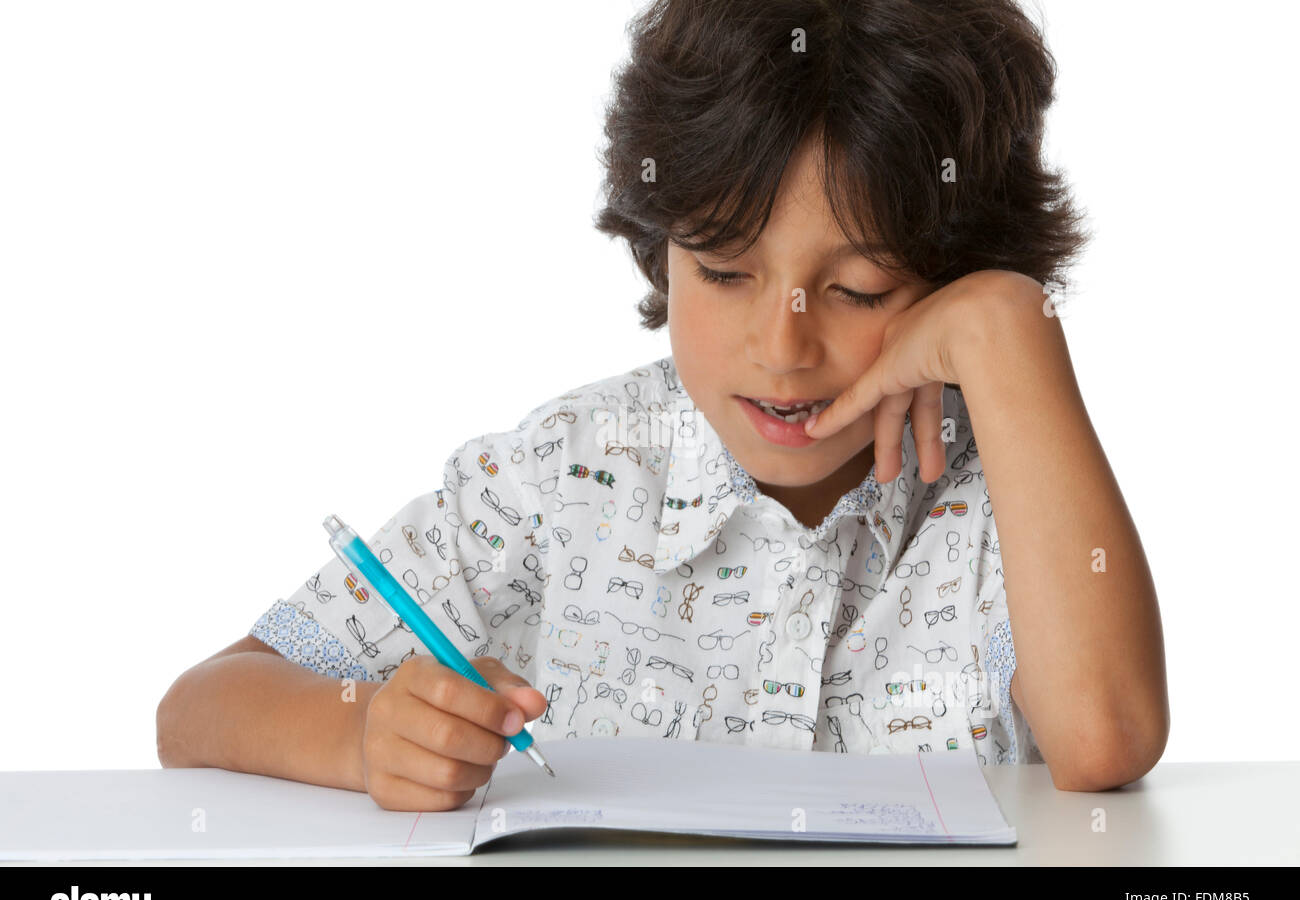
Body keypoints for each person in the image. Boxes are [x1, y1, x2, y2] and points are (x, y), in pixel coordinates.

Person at [157, 0, 1168, 810]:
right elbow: (199, 707)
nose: (783, 348)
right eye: (726, 271)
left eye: (859, 288)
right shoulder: (567, 474)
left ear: (953, 281)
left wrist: (1011, 330)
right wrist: (364, 731)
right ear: (660, 245)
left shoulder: (1012, 495)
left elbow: (1103, 737)